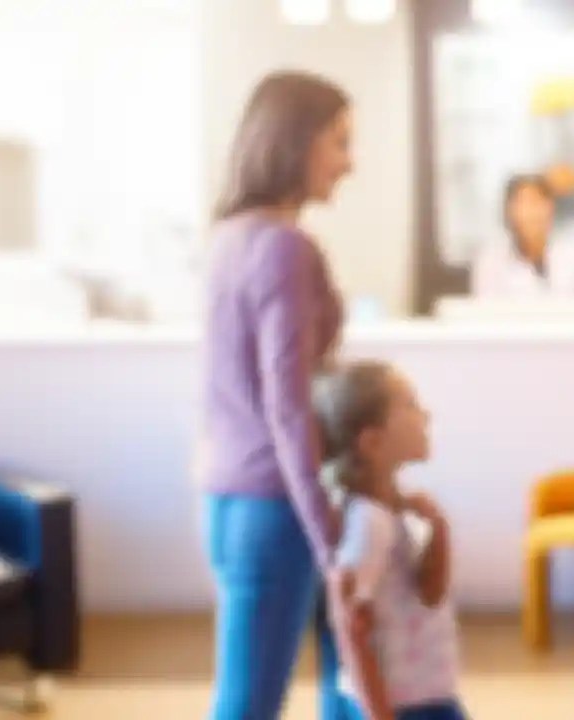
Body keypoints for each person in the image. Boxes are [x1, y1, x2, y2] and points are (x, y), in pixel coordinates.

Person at [199, 70, 354, 719]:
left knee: (350, 683)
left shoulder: (229, 238)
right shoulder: (284, 249)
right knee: (248, 705)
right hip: (282, 504)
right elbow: (287, 405)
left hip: (234, 498)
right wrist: (325, 530)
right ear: (296, 143)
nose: (349, 163)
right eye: (339, 142)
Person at [314, 362, 468, 720]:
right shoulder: (369, 523)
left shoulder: (388, 512)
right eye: (411, 405)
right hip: (400, 703)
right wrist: (379, 713)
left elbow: (429, 594)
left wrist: (438, 530)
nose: (426, 415)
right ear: (373, 441)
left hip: (423, 693)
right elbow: (350, 628)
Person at [470, 174, 574, 298]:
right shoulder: (490, 260)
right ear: (509, 212)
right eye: (524, 204)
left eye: (539, 203)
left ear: (551, 209)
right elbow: (486, 314)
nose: (533, 213)